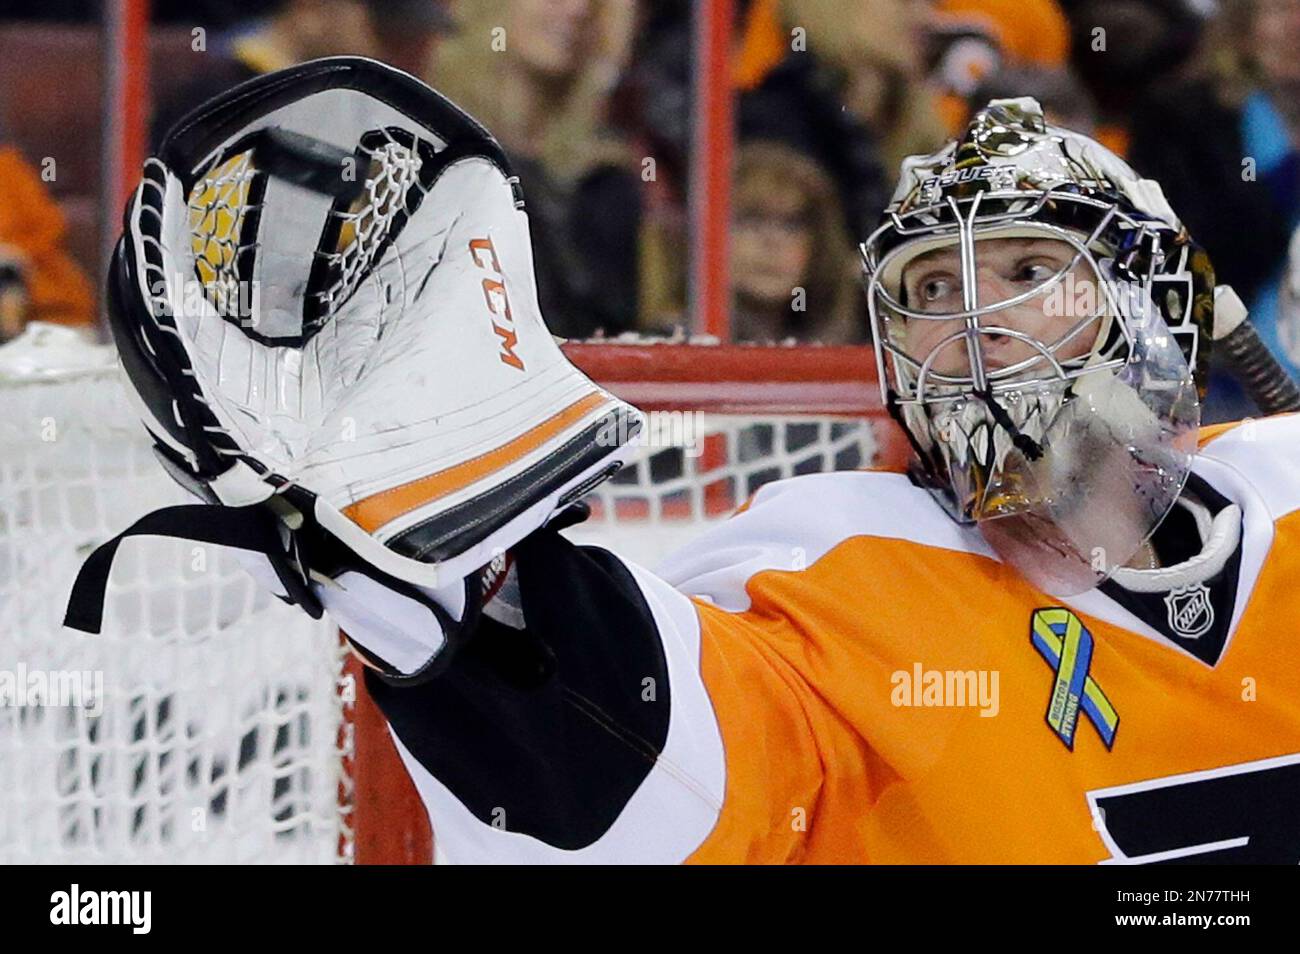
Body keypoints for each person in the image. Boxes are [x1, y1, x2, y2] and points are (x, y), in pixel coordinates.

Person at [81, 64, 1300, 864]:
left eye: (1029, 273)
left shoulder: (1286, 486)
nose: (970, 328)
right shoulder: (847, 565)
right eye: (930, 291)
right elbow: (670, 773)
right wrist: (463, 599)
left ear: (1157, 307)